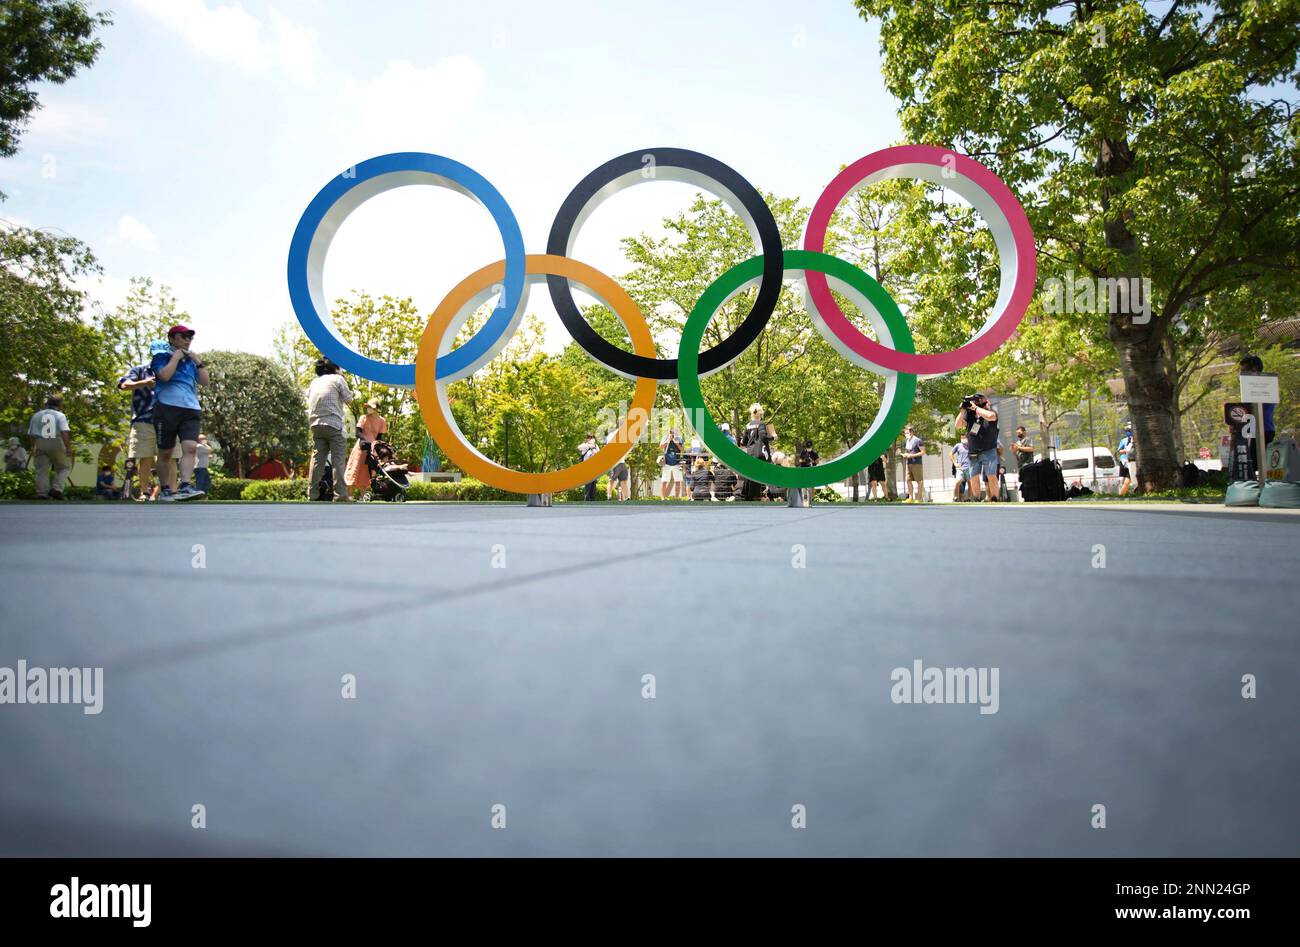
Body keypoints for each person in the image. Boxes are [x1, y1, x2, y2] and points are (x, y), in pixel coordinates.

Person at [150, 325, 210, 501]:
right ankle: (166, 489)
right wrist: (175, 358)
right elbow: (164, 376)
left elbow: (205, 382)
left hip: (191, 408)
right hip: (166, 408)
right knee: (165, 454)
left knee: (191, 448)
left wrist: (198, 361)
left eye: (189, 337)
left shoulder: (192, 361)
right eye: (183, 336)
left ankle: (185, 485)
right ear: (172, 339)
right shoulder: (161, 356)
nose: (187, 340)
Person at [117, 354, 170, 502]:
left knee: (168, 457)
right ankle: (144, 491)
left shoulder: (172, 372)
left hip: (167, 421)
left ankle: (170, 491)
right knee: (145, 457)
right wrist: (143, 383)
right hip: (144, 420)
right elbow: (123, 385)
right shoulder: (139, 371)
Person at [307, 358, 353, 503]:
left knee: (317, 460)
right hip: (333, 424)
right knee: (338, 460)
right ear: (335, 368)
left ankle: (312, 494)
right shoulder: (338, 379)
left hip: (315, 424)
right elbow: (349, 399)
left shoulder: (315, 382)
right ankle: (340, 495)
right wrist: (342, 377)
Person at [956, 394, 1000, 501]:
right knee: (974, 476)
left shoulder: (991, 411)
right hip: (973, 451)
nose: (974, 403)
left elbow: (990, 417)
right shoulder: (969, 414)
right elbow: (958, 425)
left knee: (991, 475)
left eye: (976, 401)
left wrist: (976, 409)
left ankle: (994, 499)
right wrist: (962, 411)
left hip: (989, 450)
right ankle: (976, 498)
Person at [1239, 354, 1277, 479]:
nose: (1241, 374)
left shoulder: (1265, 387)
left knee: (1259, 463)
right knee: (1251, 464)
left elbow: (1258, 411)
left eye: (1244, 371)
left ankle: (1264, 486)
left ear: (1254, 370)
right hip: (1251, 431)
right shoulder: (1248, 390)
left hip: (1264, 431)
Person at [28, 394, 72, 500]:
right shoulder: (60, 415)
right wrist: (68, 447)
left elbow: (31, 433)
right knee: (64, 467)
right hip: (55, 441)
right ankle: (56, 489)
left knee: (41, 470)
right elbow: (64, 432)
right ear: (59, 405)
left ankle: (42, 493)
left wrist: (33, 447)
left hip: (40, 442)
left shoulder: (36, 415)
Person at [345, 398, 388, 500]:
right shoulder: (363, 417)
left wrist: (376, 447)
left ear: (376, 408)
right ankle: (349, 497)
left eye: (370, 407)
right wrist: (366, 441)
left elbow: (379, 437)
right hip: (361, 448)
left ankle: (362, 497)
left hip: (371, 450)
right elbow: (358, 432)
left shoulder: (382, 421)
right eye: (367, 407)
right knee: (354, 470)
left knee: (366, 473)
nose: (368, 409)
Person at [738, 403, 775, 501]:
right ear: (761, 413)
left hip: (750, 452)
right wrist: (773, 437)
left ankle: (746, 494)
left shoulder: (748, 425)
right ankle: (755, 495)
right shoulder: (761, 424)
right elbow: (763, 436)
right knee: (757, 474)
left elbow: (744, 441)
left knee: (750, 473)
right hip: (759, 452)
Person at [604, 428, 631, 501]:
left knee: (624, 481)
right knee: (611, 480)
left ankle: (626, 498)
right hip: (614, 463)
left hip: (622, 462)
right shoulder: (611, 436)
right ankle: (609, 497)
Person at [901, 425, 925, 502]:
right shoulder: (907, 441)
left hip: (917, 463)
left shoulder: (918, 441)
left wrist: (912, 455)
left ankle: (919, 498)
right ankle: (911, 498)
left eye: (907, 433)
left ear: (912, 432)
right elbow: (909, 452)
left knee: (919, 481)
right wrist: (905, 455)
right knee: (908, 480)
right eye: (905, 433)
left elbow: (923, 452)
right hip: (909, 463)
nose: (906, 435)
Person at [659, 428, 684, 499]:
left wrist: (677, 443)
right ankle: (662, 498)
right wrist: (668, 440)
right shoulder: (665, 437)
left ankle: (677, 498)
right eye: (671, 432)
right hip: (666, 463)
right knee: (664, 481)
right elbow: (661, 446)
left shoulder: (679, 438)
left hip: (677, 462)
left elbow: (682, 450)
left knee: (678, 481)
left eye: (674, 432)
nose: (673, 434)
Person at [578, 432, 599, 501]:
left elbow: (599, 454)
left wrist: (593, 448)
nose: (591, 439)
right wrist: (589, 446)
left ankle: (592, 499)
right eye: (589, 438)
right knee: (588, 484)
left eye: (592, 438)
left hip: (594, 467)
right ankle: (586, 499)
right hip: (586, 467)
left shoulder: (596, 446)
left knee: (593, 484)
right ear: (587, 439)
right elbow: (579, 448)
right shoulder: (585, 445)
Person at [1117, 422, 1136, 496]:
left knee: (1130, 479)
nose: (1128, 432)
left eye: (1129, 430)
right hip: (1124, 461)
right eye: (1127, 431)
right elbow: (1119, 450)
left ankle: (1124, 494)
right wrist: (1126, 451)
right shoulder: (1124, 440)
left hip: (1132, 461)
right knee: (1122, 480)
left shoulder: (1136, 440)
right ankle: (1122, 494)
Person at [951, 434, 971, 502]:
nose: (964, 438)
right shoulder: (958, 445)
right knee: (957, 482)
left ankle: (969, 498)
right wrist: (955, 463)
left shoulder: (971, 445)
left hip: (969, 467)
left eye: (965, 437)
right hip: (960, 468)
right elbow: (950, 454)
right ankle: (955, 497)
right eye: (962, 437)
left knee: (970, 483)